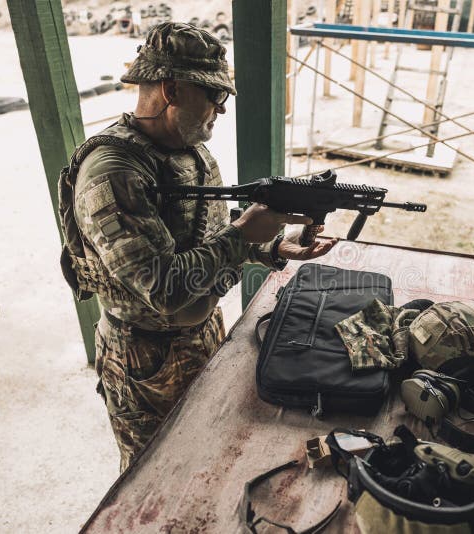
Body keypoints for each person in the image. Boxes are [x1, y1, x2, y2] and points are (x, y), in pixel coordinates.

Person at [64, 22, 337, 472]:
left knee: (209, 456)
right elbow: (164, 286)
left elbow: (203, 235)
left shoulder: (188, 150)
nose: (221, 110)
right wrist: (244, 235)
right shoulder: (112, 171)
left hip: (202, 331)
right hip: (147, 355)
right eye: (214, 96)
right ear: (171, 90)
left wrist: (270, 247)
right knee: (156, 473)